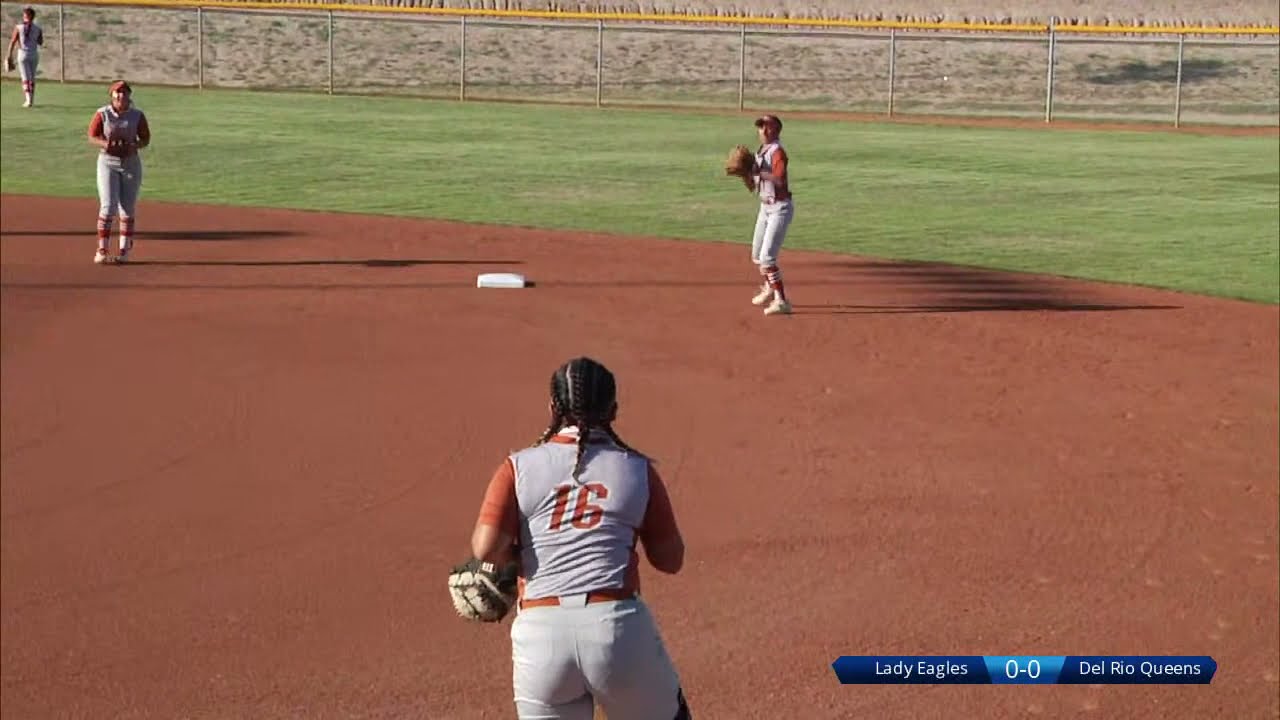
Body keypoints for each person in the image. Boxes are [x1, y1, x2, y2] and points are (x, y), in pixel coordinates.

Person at [469, 356, 692, 720]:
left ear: (552, 408)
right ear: (613, 410)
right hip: (616, 631)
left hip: (541, 639)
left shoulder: (517, 467)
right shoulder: (637, 469)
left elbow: (486, 548)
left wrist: (520, 556)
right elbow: (671, 560)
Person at [87, 80, 150, 264]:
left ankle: (124, 251)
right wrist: (106, 144)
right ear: (112, 96)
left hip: (130, 163)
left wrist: (134, 146)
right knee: (108, 206)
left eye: (125, 92)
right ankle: (102, 250)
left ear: (129, 95)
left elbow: (145, 138)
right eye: (118, 92)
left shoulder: (137, 115)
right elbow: (92, 136)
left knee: (127, 208)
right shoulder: (103, 114)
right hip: (107, 162)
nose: (121, 96)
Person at [746, 114, 795, 316]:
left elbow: (780, 179)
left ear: (777, 130)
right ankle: (769, 287)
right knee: (757, 255)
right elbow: (753, 184)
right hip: (765, 207)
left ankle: (781, 301)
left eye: (768, 127)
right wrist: (747, 175)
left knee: (767, 259)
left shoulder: (777, 152)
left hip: (779, 209)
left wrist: (758, 172)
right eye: (761, 127)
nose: (764, 131)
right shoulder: (761, 151)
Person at [6, 7, 43, 108]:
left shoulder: (18, 27)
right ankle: (31, 99)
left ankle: (28, 100)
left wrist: (8, 55)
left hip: (23, 53)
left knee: (25, 77)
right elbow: (40, 42)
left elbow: (13, 42)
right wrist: (34, 34)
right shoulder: (38, 28)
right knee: (32, 77)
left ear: (25, 16)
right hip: (34, 54)